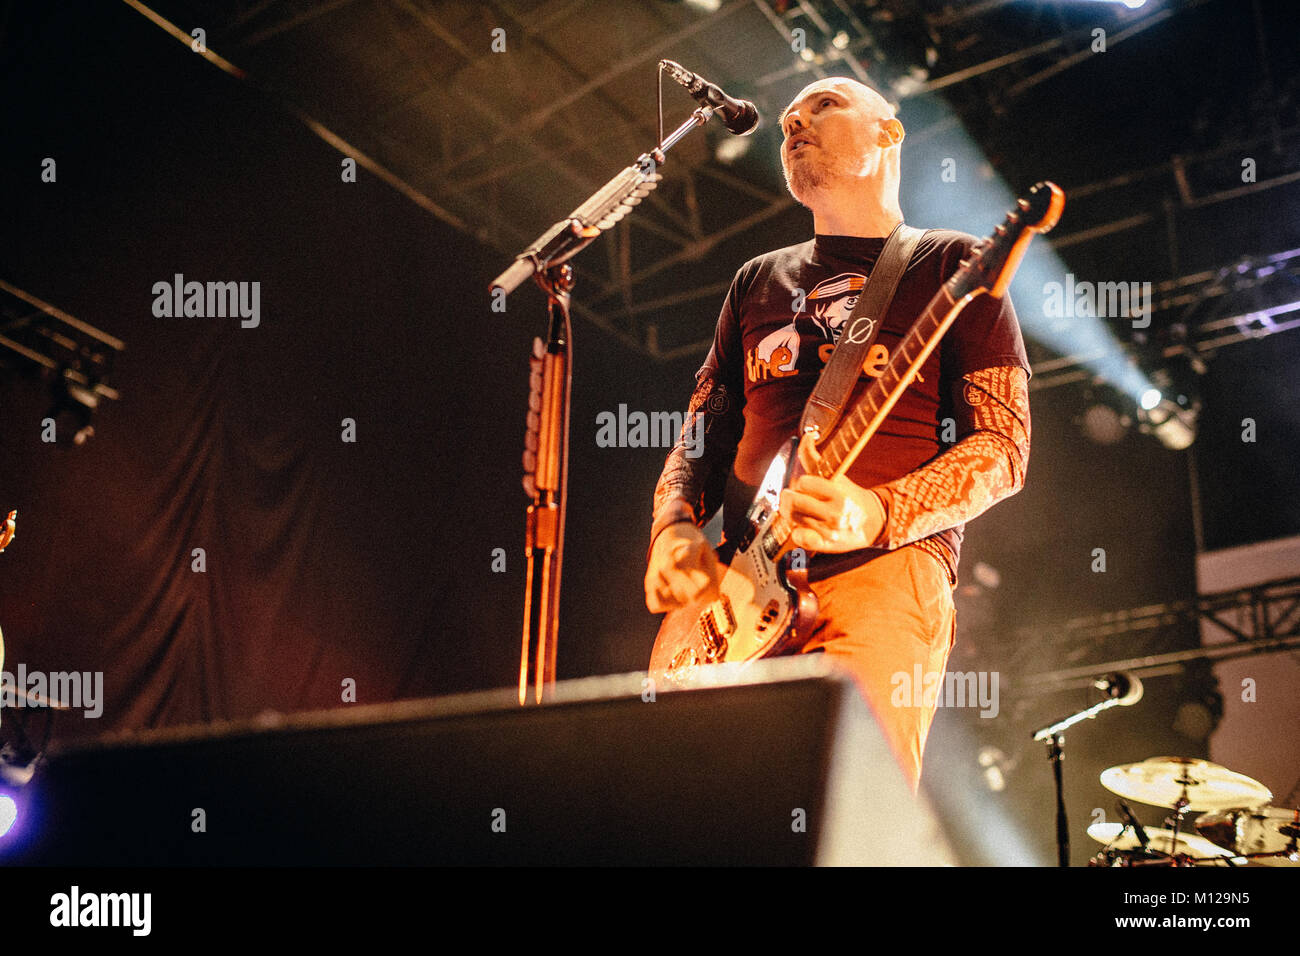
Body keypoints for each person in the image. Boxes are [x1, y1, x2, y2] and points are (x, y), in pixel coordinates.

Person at [643, 77, 1032, 791]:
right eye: (789, 117)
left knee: (854, 803)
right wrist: (671, 526)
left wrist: (879, 511)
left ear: (890, 133)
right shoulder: (755, 280)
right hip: (733, 588)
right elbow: (705, 427)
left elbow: (1003, 449)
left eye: (824, 105)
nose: (796, 122)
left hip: (881, 569)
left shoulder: (956, 265)